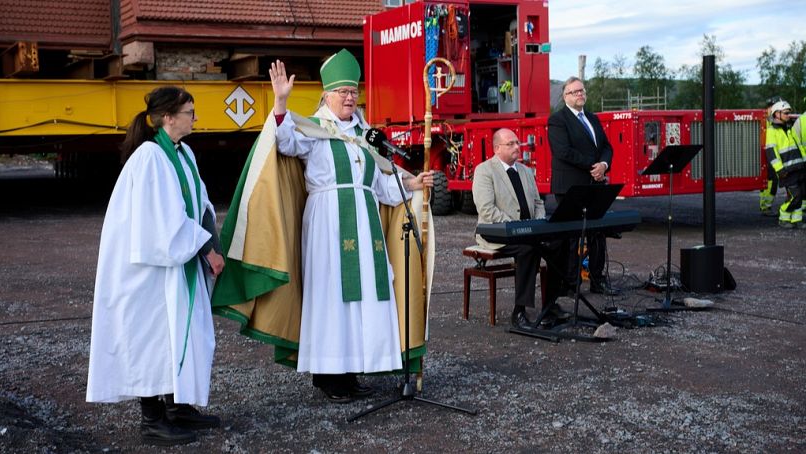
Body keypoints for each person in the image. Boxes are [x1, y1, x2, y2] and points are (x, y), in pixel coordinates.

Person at [211, 49, 434, 404]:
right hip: (329, 221)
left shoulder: (366, 135)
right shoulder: (312, 128)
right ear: (326, 95)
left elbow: (380, 186)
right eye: (342, 92)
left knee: (364, 294)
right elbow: (283, 141)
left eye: (353, 91)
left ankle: (353, 368)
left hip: (365, 219)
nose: (349, 97)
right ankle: (329, 375)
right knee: (332, 294)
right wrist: (281, 103)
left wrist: (413, 183)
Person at [86, 86, 224, 446]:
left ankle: (178, 406)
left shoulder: (184, 153)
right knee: (154, 337)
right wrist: (204, 249)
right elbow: (162, 224)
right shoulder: (150, 157)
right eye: (190, 112)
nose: (195, 118)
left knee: (182, 332)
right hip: (150, 270)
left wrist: (209, 241)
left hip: (178, 263)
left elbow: (201, 202)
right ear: (168, 118)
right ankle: (152, 419)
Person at [472, 128, 568, 329]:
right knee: (528, 249)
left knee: (560, 241)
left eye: (518, 143)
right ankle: (519, 312)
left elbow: (538, 202)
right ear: (497, 148)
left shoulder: (525, 170)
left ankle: (550, 304)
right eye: (511, 144)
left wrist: (539, 225)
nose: (518, 147)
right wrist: (518, 227)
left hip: (529, 231)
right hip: (497, 232)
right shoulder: (484, 170)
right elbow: (486, 209)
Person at [548, 76, 617, 295]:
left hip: (594, 183)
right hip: (570, 185)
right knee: (571, 236)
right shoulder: (558, 120)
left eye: (582, 90)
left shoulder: (592, 118)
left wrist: (604, 164)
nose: (580, 94)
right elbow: (563, 151)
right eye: (575, 91)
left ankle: (598, 279)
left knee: (597, 233)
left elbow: (606, 146)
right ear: (565, 96)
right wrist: (593, 166)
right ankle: (570, 283)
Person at [765, 100, 806, 228]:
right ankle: (783, 214)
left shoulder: (789, 128)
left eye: (789, 113)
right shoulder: (772, 131)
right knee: (796, 195)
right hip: (786, 171)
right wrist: (780, 170)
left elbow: (798, 146)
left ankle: (796, 220)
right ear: (777, 114)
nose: (789, 115)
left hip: (799, 167)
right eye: (786, 113)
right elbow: (771, 152)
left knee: (802, 194)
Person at [760, 96, 783, 216]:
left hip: (767, 152)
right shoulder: (767, 119)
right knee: (772, 180)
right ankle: (766, 206)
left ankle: (764, 205)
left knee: (769, 179)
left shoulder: (768, 118)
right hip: (768, 152)